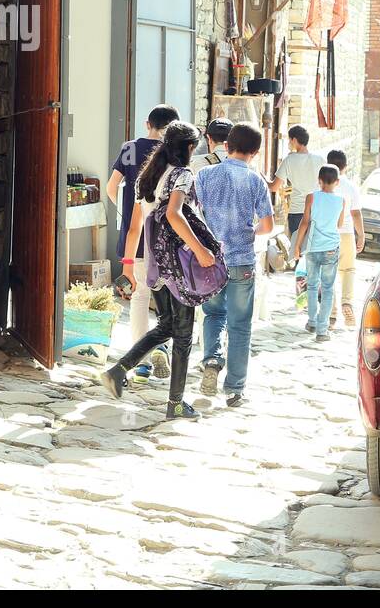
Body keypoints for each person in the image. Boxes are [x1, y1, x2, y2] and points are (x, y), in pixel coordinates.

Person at [102, 122, 211, 420]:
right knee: (184, 334)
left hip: (154, 266)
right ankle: (175, 402)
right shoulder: (182, 176)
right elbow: (175, 215)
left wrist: (129, 265)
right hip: (180, 268)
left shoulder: (146, 178)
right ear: (188, 148)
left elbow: (135, 227)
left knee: (166, 326)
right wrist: (201, 251)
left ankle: (119, 369)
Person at [194, 123, 275, 405]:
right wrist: (248, 231)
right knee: (240, 325)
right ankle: (235, 389)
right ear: (255, 152)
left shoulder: (204, 175)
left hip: (210, 260)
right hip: (242, 261)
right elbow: (267, 225)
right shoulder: (256, 181)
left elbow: (195, 215)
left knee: (213, 315)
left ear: (226, 146)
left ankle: (212, 361)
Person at [109, 104, 179, 381]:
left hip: (134, 235)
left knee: (138, 298)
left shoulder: (130, 148)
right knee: (168, 298)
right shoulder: (174, 153)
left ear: (146, 123)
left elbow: (111, 186)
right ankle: (161, 344)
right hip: (166, 237)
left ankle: (141, 362)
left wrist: (124, 212)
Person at [292, 164, 347, 342]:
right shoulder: (341, 201)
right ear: (337, 182)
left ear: (319, 180)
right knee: (329, 288)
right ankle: (323, 331)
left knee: (313, 285)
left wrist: (298, 246)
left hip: (313, 247)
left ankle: (312, 321)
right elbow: (338, 225)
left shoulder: (311, 197)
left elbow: (305, 223)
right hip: (331, 247)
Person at [269, 125, 325, 295]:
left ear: (294, 140)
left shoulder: (289, 160)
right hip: (317, 211)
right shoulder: (320, 159)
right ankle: (317, 290)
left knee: (299, 253)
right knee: (315, 253)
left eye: (289, 139)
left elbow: (273, 187)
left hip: (297, 213)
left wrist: (260, 179)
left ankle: (302, 294)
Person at [326, 150, 365, 327]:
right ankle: (347, 301)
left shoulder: (323, 185)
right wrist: (361, 235)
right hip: (347, 233)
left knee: (329, 274)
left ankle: (332, 312)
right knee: (348, 269)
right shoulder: (350, 186)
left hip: (327, 235)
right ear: (345, 166)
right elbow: (356, 213)